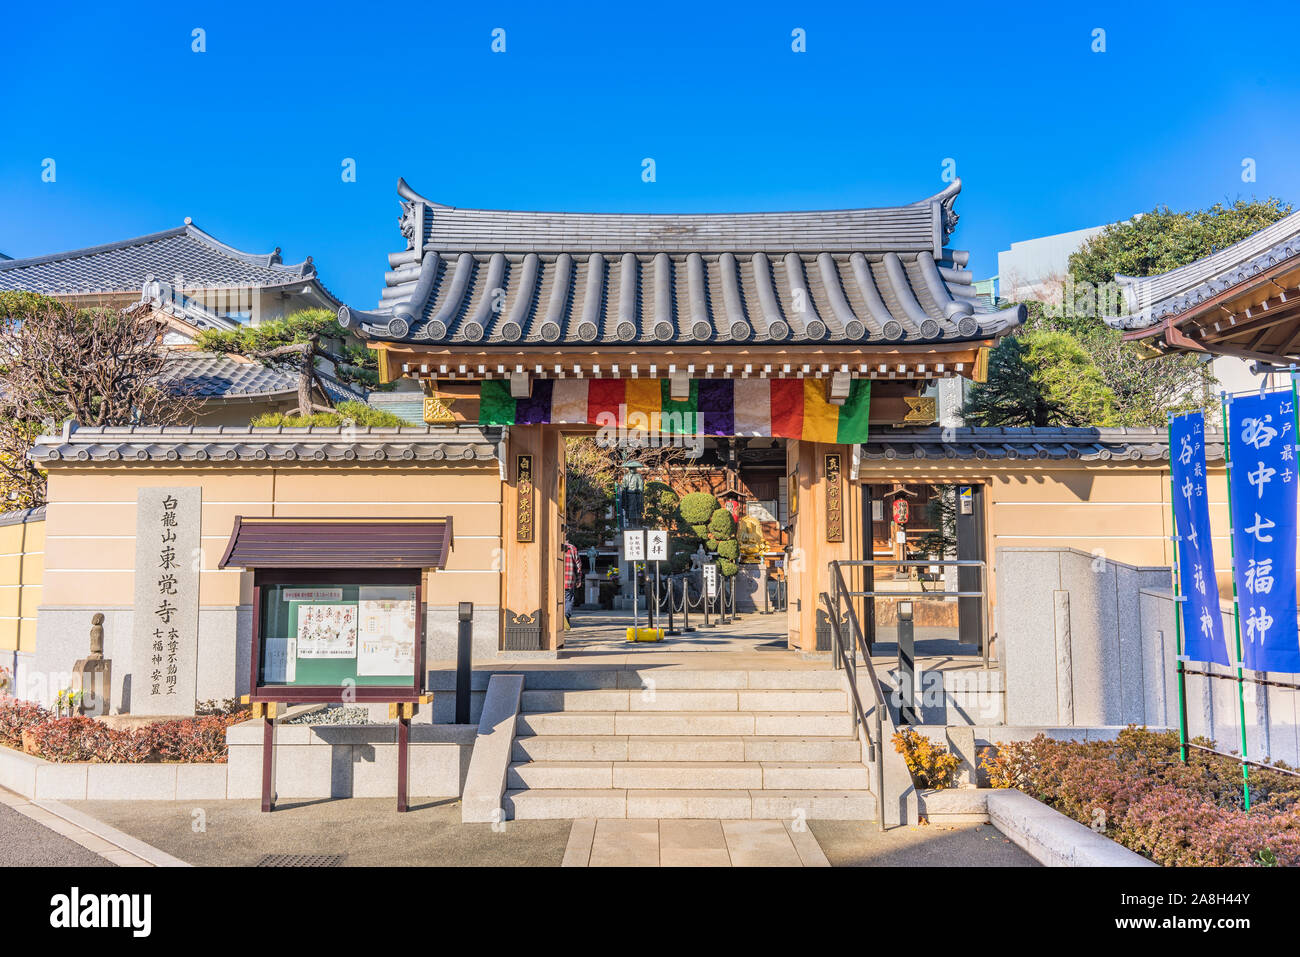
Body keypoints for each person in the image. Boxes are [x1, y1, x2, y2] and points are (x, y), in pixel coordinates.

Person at [563, 539, 582, 630]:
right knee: (568, 599)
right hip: (568, 580)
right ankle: (565, 617)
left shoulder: (552, 546)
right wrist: (579, 579)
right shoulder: (572, 548)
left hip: (554, 581)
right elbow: (578, 565)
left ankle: (556, 619)